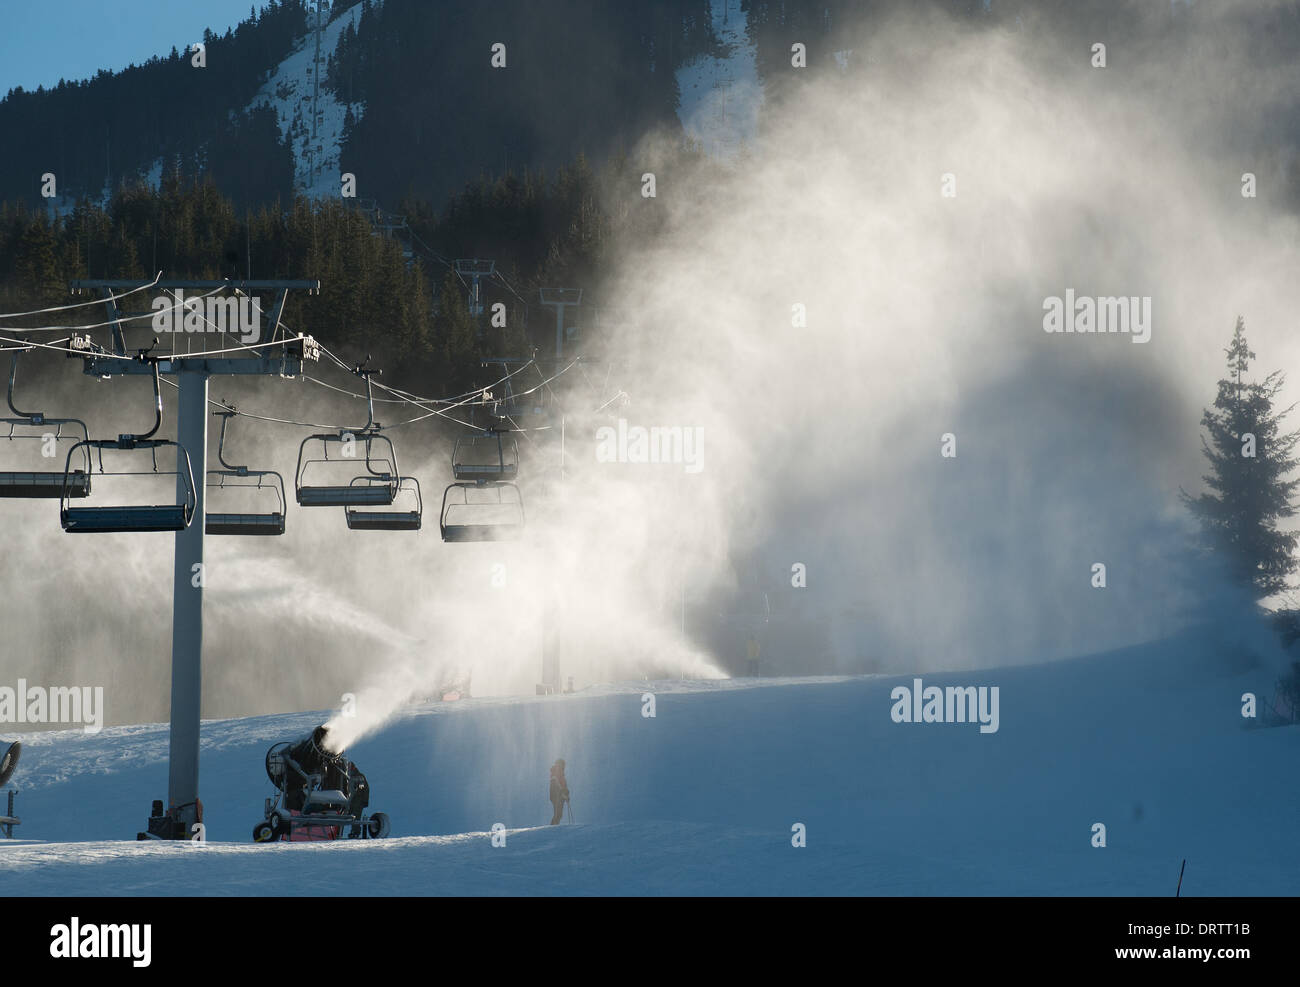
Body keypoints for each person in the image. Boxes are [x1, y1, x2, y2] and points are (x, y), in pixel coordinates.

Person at [549, 759, 569, 825]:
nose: (564, 766)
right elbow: (556, 783)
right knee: (558, 814)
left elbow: (563, 785)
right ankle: (553, 828)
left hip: (559, 796)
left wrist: (566, 793)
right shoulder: (556, 772)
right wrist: (563, 792)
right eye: (563, 764)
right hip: (557, 796)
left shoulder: (560, 773)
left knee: (558, 814)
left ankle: (553, 827)